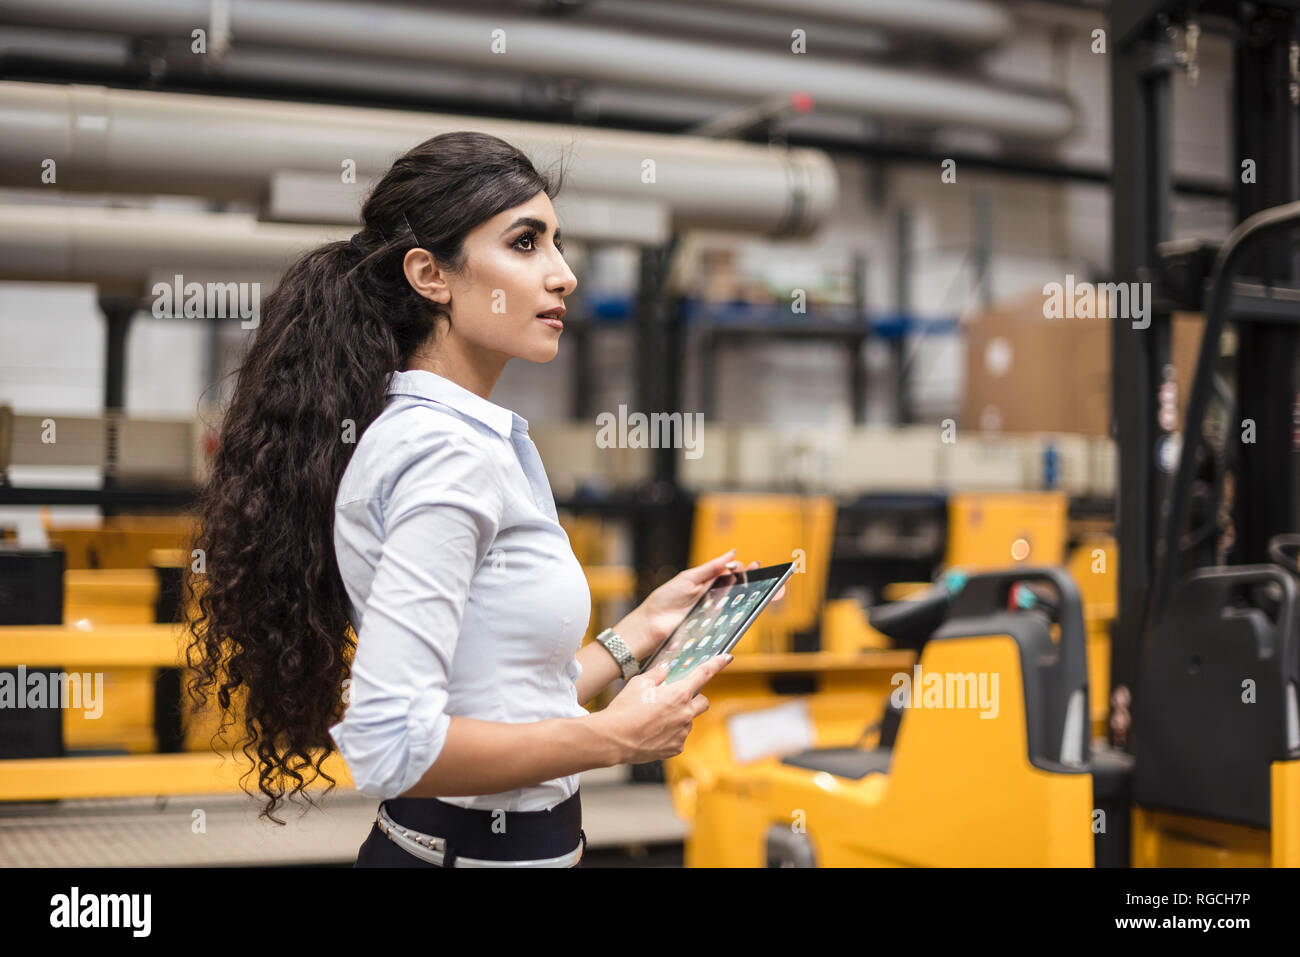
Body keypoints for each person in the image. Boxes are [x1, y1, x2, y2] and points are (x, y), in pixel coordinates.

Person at [183, 130, 782, 867]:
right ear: (431, 275)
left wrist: (639, 633)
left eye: (557, 244)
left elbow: (505, 695)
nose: (563, 275)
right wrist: (612, 738)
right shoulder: (444, 454)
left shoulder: (472, 439)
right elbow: (394, 740)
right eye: (526, 244)